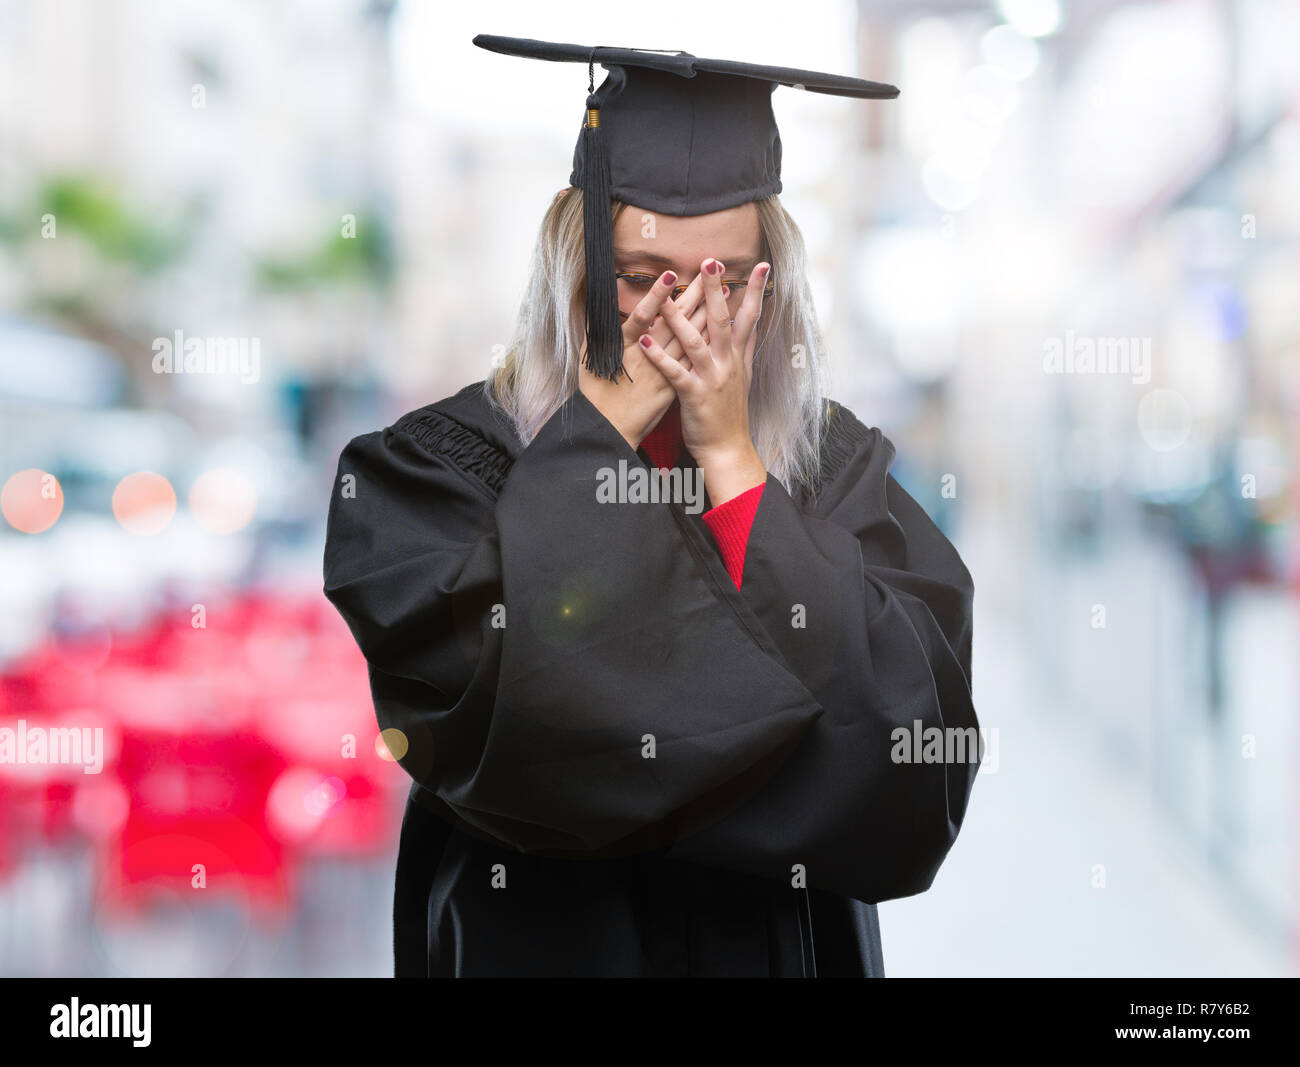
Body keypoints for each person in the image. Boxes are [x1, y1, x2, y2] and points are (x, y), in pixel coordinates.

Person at [322, 36, 980, 978]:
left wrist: (735, 465)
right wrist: (605, 427)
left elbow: (909, 771)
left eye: (726, 278)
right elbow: (512, 738)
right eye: (642, 277)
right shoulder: (432, 471)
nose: (683, 318)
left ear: (776, 282)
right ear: (572, 263)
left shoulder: (831, 467)